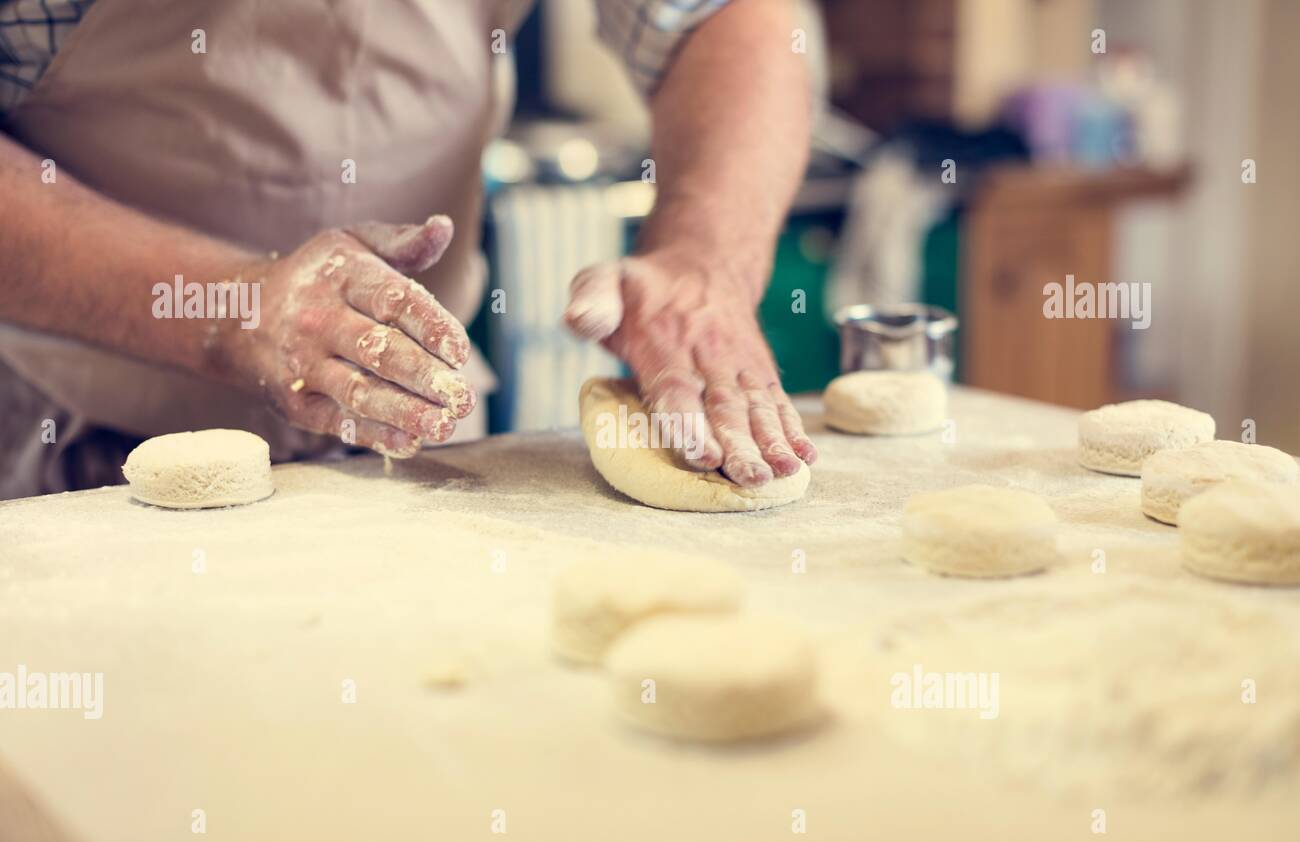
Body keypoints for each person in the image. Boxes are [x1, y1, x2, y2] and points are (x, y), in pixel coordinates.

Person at [0, 0, 817, 500]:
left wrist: (703, 263)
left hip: (420, 446)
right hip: (75, 443)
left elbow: (721, 15)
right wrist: (234, 308)